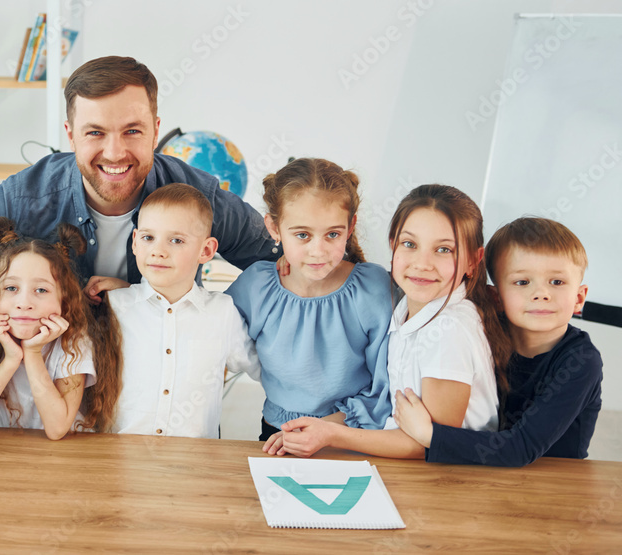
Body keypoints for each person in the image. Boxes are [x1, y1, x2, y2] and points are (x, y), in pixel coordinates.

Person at [0, 55, 277, 291]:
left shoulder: (194, 194)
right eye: (95, 133)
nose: (114, 153)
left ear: (155, 132)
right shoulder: (23, 197)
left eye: (132, 131)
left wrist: (217, 319)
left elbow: (280, 261)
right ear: (70, 136)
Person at [267, 184, 513, 459]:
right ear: (393, 245)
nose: (422, 263)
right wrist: (317, 428)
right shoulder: (405, 306)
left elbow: (433, 445)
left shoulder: (449, 329)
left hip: (451, 482)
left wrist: (331, 435)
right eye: (409, 244)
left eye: (444, 250)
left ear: (473, 261)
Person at [394, 217, 602, 465]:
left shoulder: (581, 361)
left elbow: (520, 447)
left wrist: (428, 435)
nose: (541, 294)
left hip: (555, 481)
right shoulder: (485, 332)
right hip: (488, 470)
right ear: (496, 297)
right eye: (522, 282)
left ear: (579, 298)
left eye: (557, 282)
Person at [225, 158, 393, 442]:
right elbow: (211, 336)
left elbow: (385, 387)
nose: (318, 251)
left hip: (351, 435)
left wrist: (327, 430)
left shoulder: (373, 290)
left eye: (332, 234)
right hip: (279, 433)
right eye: (302, 235)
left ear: (350, 227)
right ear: (274, 228)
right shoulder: (256, 286)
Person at [103, 184, 260, 438]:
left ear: (206, 250)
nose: (158, 251)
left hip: (195, 465)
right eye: (148, 238)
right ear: (135, 242)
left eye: (176, 240)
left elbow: (267, 372)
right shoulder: (112, 307)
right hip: (119, 462)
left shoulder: (222, 313)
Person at [0, 218, 123, 439]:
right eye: (11, 287)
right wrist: (11, 359)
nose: (24, 303)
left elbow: (57, 429)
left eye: (41, 290)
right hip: (11, 455)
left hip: (68, 457)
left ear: (64, 301)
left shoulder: (73, 343)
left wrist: (32, 353)